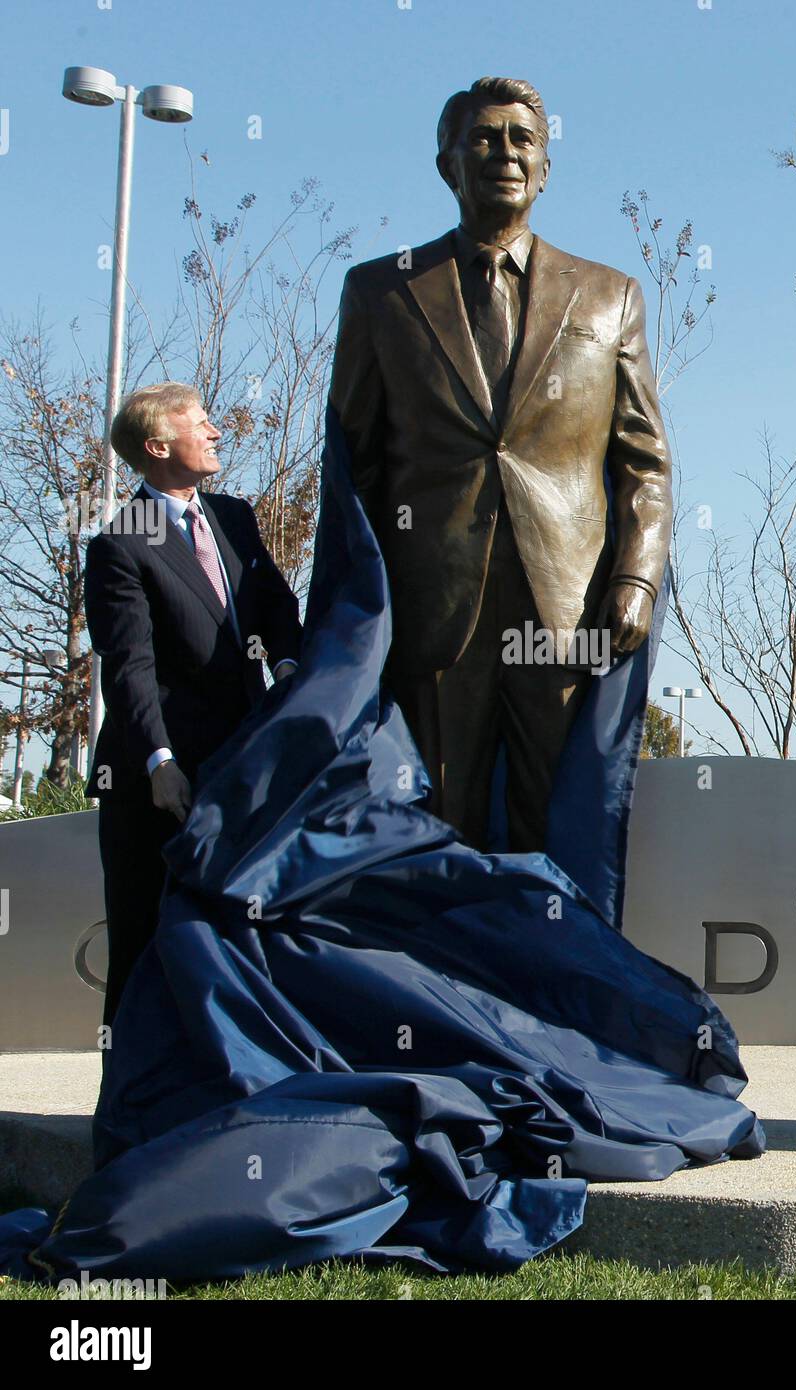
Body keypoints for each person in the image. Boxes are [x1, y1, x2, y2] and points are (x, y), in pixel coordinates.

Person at [326, 76, 672, 852]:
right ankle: (441, 971)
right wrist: (351, 606)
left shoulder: (609, 295)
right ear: (448, 163)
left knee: (557, 820)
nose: (505, 153)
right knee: (434, 815)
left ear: (545, 169)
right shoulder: (380, 292)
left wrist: (636, 577)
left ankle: (547, 971)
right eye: (484, 137)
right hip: (432, 600)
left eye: (523, 140)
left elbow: (643, 460)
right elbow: (353, 468)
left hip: (567, 601)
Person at [84, 381, 302, 1026]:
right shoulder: (121, 544)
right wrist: (159, 762)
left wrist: (288, 668)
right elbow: (129, 667)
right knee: (147, 938)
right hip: (157, 781)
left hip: (242, 763)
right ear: (157, 446)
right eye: (200, 423)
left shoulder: (235, 516)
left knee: (236, 938)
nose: (215, 433)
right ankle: (130, 1114)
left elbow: (273, 604)